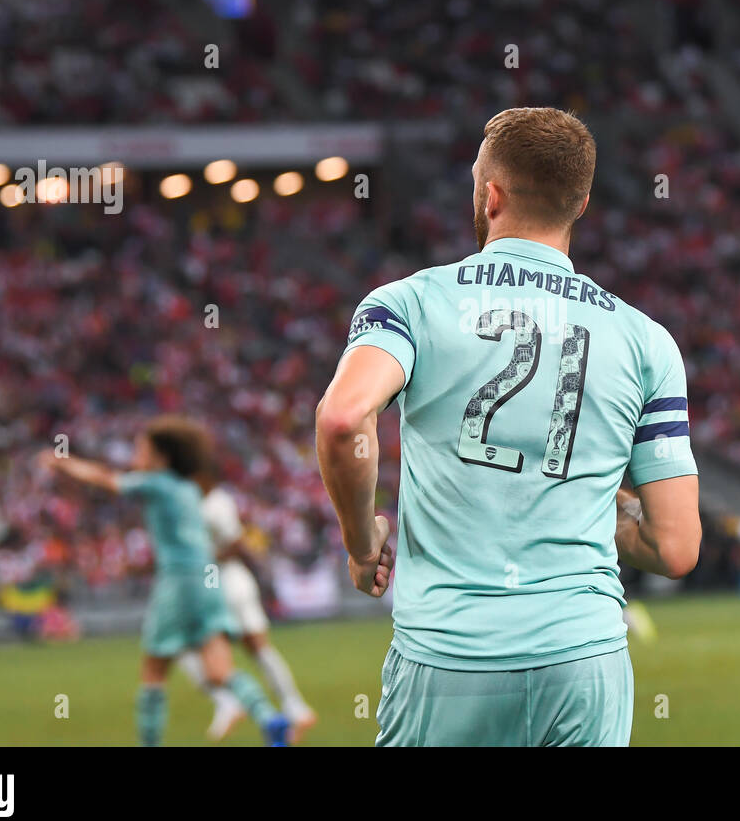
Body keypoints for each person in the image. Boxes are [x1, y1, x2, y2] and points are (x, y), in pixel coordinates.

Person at [316, 107, 702, 747]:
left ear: (489, 195)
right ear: (580, 204)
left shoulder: (409, 304)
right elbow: (676, 547)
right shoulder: (646, 341)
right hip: (583, 660)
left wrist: (362, 545)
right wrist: (574, 494)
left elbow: (341, 418)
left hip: (447, 659)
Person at [37, 416, 290, 746]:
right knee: (219, 670)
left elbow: (107, 479)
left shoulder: (156, 483)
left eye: (141, 450)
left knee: (154, 672)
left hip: (179, 582)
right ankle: (269, 717)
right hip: (208, 581)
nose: (135, 456)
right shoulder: (189, 488)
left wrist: (63, 463)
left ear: (162, 457)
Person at [176, 464, 318, 742]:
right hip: (227, 583)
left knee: (187, 645)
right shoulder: (209, 502)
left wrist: (203, 559)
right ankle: (295, 707)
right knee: (257, 647)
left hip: (223, 583)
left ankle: (228, 702)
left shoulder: (216, 503)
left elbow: (236, 542)